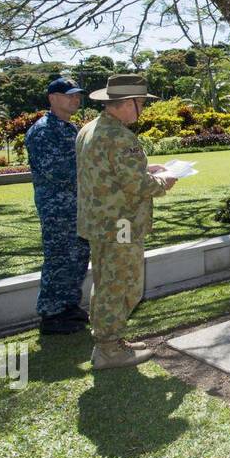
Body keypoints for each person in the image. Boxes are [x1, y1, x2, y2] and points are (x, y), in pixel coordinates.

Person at [76, 74, 175, 370]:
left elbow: (110, 171)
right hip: (121, 225)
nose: (142, 109)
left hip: (100, 223)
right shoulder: (120, 137)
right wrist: (164, 181)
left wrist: (147, 168)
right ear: (125, 103)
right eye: (141, 103)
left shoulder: (91, 129)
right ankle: (109, 348)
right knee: (123, 285)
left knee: (106, 282)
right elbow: (139, 186)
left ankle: (110, 340)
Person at [25, 77, 92, 335]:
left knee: (77, 257)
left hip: (77, 207)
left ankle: (68, 306)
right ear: (53, 98)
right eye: (69, 95)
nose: (75, 99)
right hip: (58, 210)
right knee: (58, 259)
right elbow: (59, 171)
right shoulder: (43, 131)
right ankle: (51, 315)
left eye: (77, 95)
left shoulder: (69, 128)